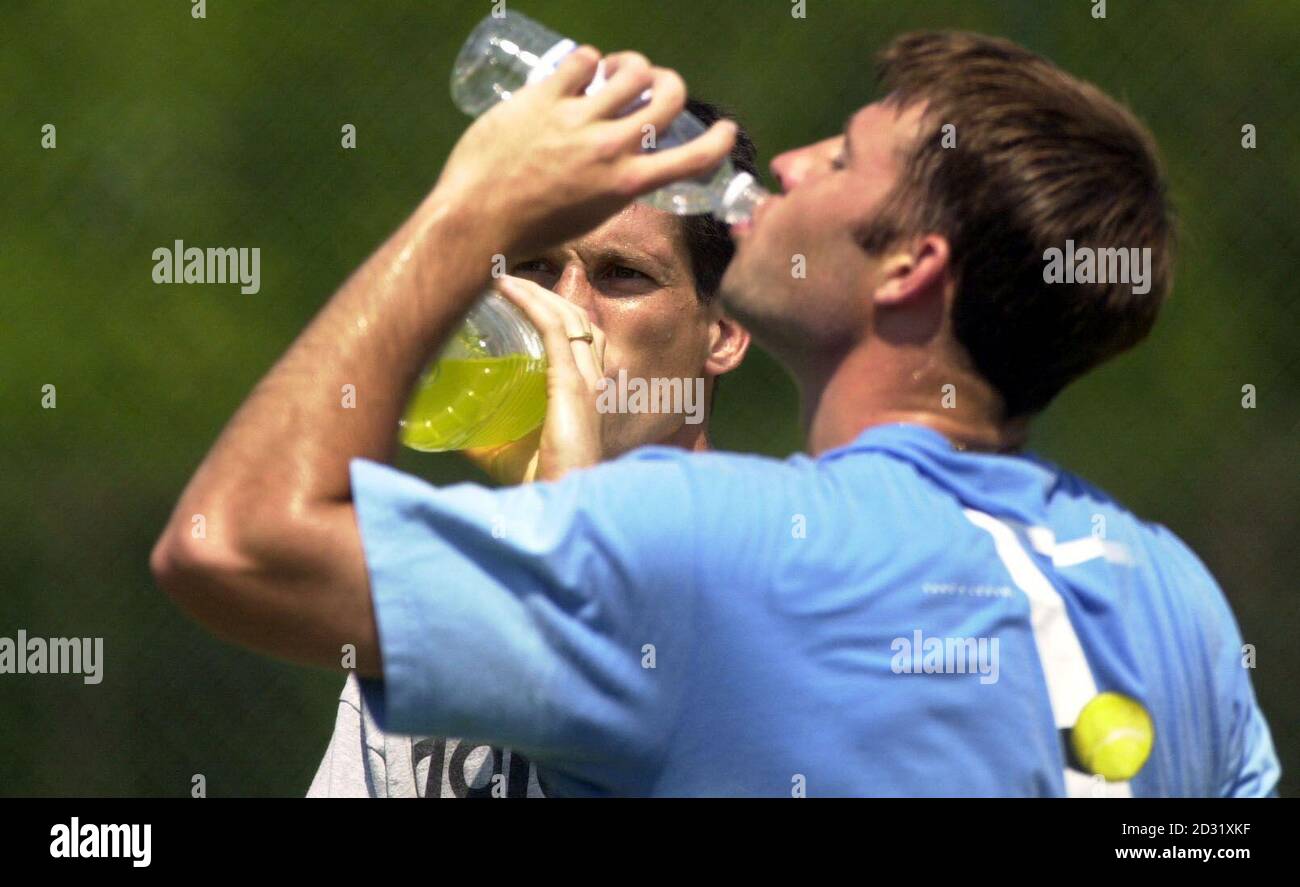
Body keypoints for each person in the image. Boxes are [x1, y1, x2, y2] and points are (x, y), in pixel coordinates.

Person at [153, 35, 1280, 796]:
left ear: (908, 269)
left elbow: (231, 543)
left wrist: (468, 208)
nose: (783, 161)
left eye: (838, 158)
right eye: (532, 261)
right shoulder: (1173, 596)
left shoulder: (713, 550)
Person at [307, 99, 757, 798]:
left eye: (622, 275)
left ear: (724, 332)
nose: (567, 311)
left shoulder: (777, 584)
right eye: (539, 269)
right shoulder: (453, 595)